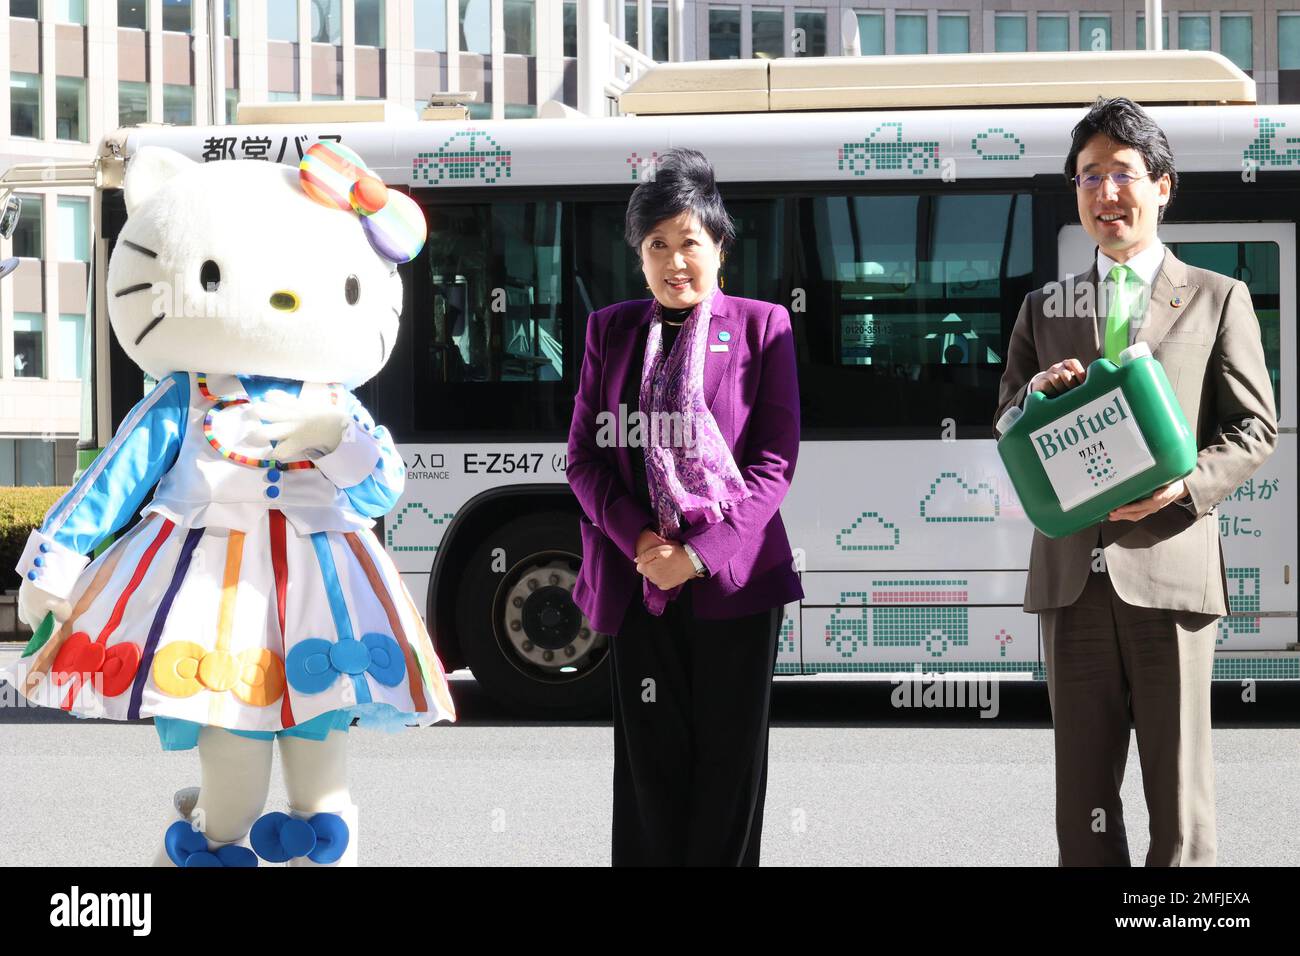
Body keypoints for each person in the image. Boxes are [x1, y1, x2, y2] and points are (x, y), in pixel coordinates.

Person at [995, 97, 1277, 865]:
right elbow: (1006, 426)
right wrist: (1035, 398)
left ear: (1162, 186)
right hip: (1071, 581)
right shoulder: (1042, 308)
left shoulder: (1218, 298)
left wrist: (1181, 489)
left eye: (1122, 173)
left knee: (1179, 801)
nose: (1105, 193)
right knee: (1080, 799)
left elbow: (1254, 430)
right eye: (1088, 177)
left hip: (1172, 573)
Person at [566, 148, 803, 866]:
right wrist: (644, 545)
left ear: (719, 247)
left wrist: (697, 555)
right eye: (656, 245)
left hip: (735, 584)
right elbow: (583, 456)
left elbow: (774, 461)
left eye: (688, 242)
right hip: (641, 586)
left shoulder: (763, 328)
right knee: (649, 771)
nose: (675, 261)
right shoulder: (610, 330)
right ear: (639, 257)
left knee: (728, 772)